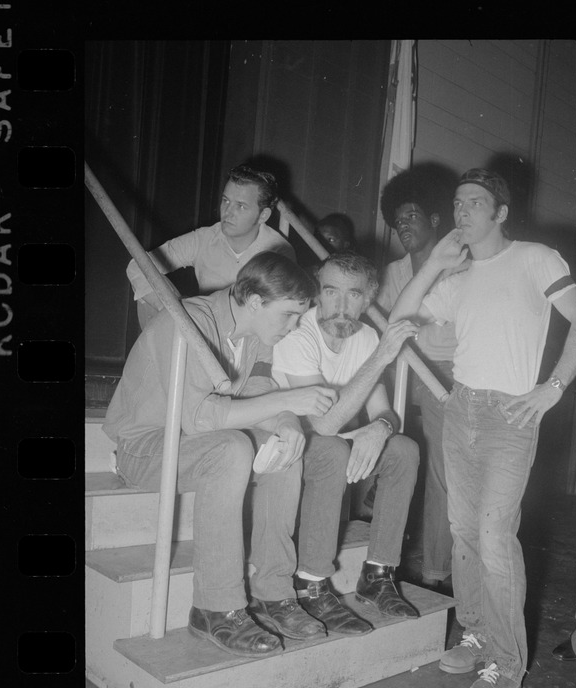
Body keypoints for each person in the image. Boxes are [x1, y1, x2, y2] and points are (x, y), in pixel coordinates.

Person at [389, 168, 576, 688]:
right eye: (457, 203)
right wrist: (432, 265)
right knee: (462, 532)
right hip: (461, 405)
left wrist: (554, 387)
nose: (462, 211)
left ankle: (508, 664)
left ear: (500, 213)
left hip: (510, 415)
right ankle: (474, 634)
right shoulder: (460, 276)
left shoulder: (536, 257)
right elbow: (399, 320)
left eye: (475, 202)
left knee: (496, 539)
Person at [103, 251, 341, 658]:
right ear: (254, 302)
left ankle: (273, 592)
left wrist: (285, 419)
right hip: (144, 448)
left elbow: (251, 389)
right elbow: (200, 418)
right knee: (232, 448)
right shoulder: (189, 323)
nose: (293, 326)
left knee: (284, 447)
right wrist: (295, 399)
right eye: (287, 315)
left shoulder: (250, 332)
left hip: (191, 442)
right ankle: (216, 608)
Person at [273, 252, 421, 636]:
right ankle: (312, 584)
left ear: (368, 299)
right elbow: (322, 425)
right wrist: (382, 357)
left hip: (332, 441)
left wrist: (381, 429)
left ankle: (378, 574)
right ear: (317, 293)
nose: (340, 306)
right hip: (285, 443)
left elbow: (385, 413)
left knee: (404, 450)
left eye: (353, 295)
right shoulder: (297, 335)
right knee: (332, 449)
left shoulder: (368, 337)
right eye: (331, 292)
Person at [377, 169, 459, 591]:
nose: (402, 225)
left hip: (446, 373)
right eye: (397, 220)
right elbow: (383, 326)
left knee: (443, 472)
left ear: (435, 220)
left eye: (411, 216)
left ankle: (436, 572)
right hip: (405, 370)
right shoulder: (394, 272)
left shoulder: (461, 266)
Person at [127, 164, 296, 329]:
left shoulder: (279, 250)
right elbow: (137, 265)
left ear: (263, 215)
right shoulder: (205, 238)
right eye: (226, 201)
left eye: (241, 206)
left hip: (247, 337)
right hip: (202, 324)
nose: (228, 212)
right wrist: (177, 308)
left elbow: (274, 317)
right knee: (150, 285)